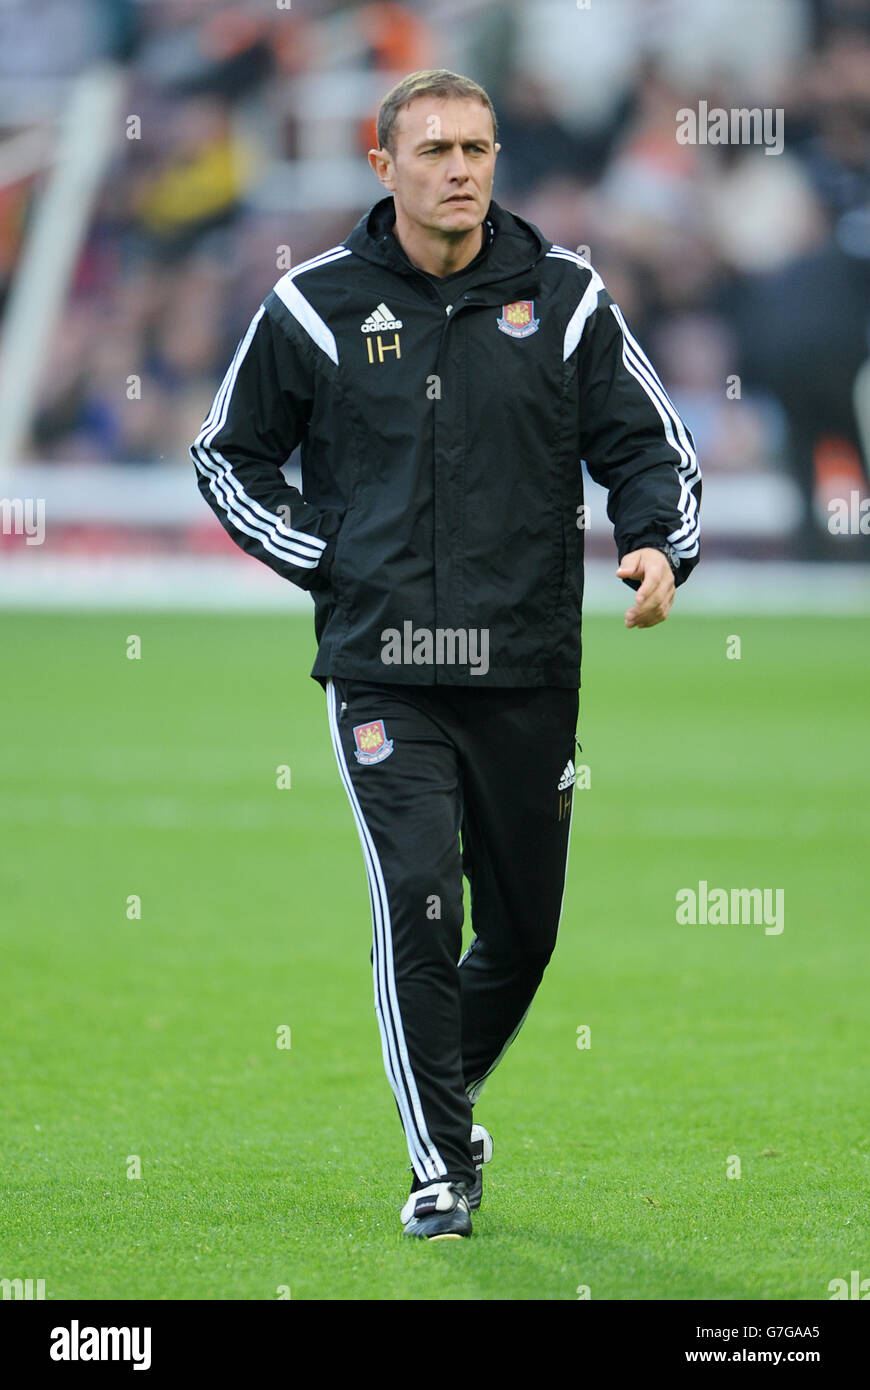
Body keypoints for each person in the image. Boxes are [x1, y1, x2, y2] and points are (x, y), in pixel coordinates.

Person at [190, 68, 701, 1241]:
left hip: (527, 667)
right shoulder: (314, 306)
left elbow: (647, 446)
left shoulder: (565, 298)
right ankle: (440, 1168)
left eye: (476, 147)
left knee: (524, 934)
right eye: (434, 150)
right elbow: (228, 457)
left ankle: (441, 1094)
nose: (460, 168)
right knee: (420, 900)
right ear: (386, 168)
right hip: (385, 670)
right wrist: (334, 559)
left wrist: (657, 545)